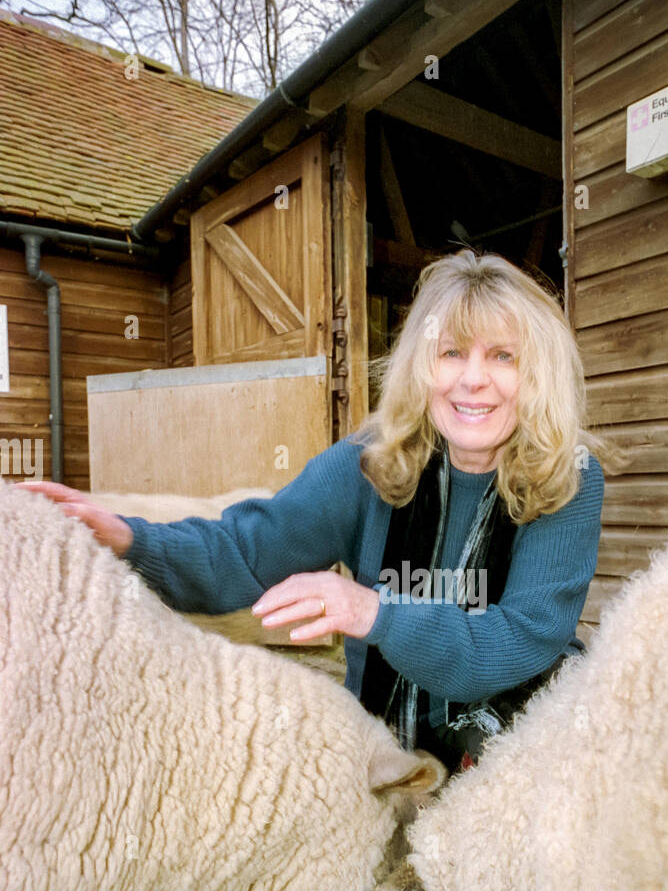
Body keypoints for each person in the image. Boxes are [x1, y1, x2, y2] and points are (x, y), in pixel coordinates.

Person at [18, 249, 616, 774]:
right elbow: (243, 554)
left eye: (504, 357)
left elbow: (516, 641)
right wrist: (130, 540)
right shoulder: (369, 465)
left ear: (537, 373)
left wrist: (374, 611)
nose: (473, 380)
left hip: (512, 740)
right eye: (452, 352)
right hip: (386, 736)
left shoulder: (569, 479)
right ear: (421, 366)